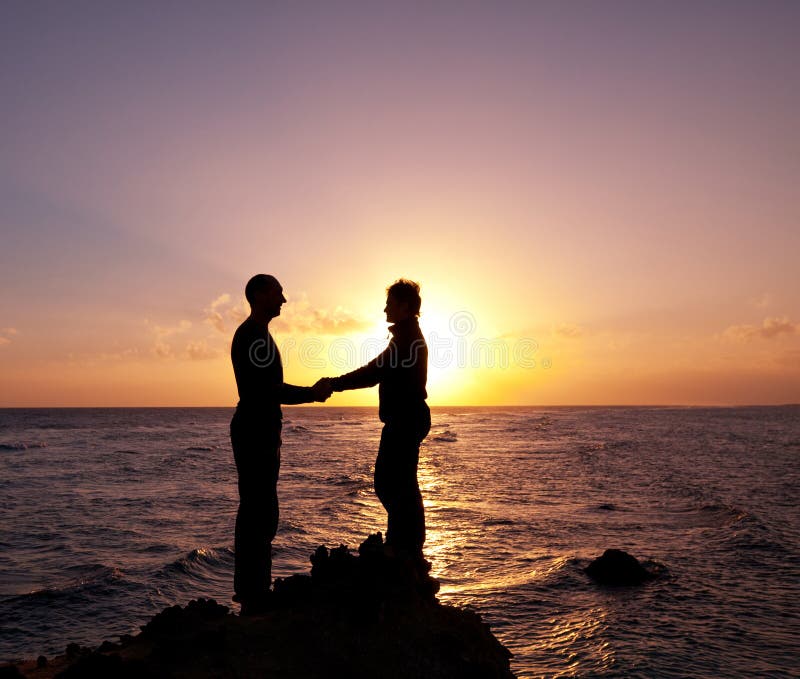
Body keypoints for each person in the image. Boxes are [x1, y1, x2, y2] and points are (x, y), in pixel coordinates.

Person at [230, 274, 331, 614]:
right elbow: (268, 389)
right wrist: (311, 394)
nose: (284, 300)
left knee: (261, 511)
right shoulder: (252, 336)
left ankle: (254, 592)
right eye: (278, 293)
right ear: (259, 295)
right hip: (254, 430)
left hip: (260, 430)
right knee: (258, 513)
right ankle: (252, 595)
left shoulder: (260, 335)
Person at [326, 279, 430, 562]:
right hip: (406, 417)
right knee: (397, 483)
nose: (385, 308)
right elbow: (376, 372)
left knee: (392, 483)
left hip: (406, 418)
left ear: (404, 307)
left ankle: (405, 547)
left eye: (390, 304)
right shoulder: (405, 337)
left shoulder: (407, 340)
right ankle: (405, 545)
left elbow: (372, 373)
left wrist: (334, 383)